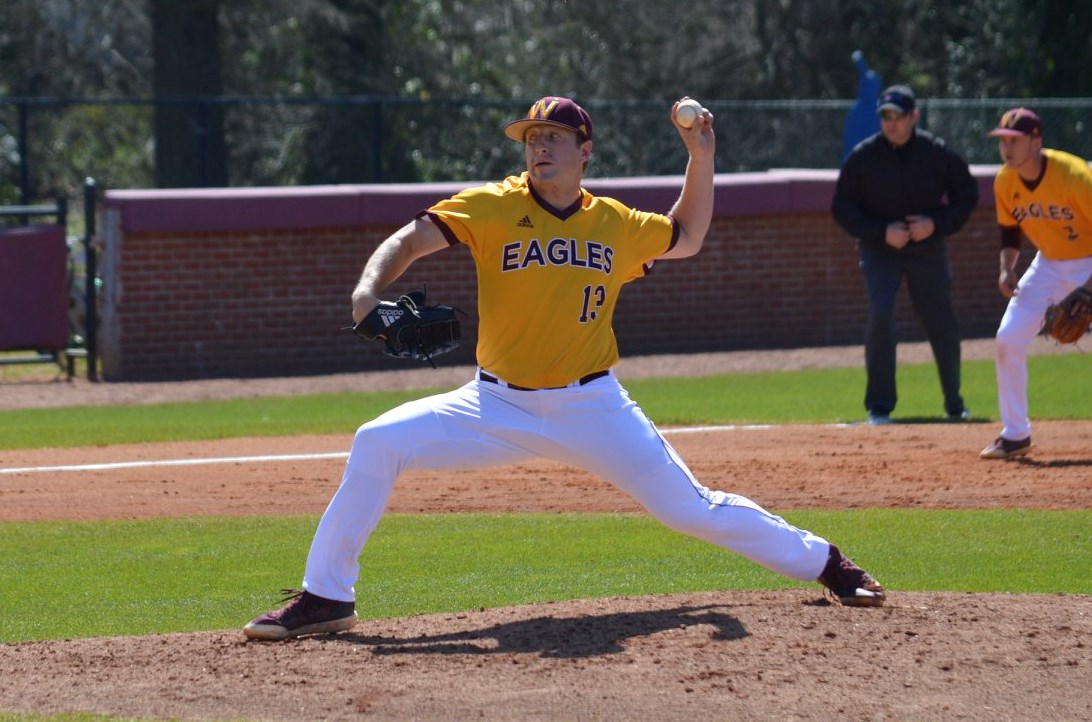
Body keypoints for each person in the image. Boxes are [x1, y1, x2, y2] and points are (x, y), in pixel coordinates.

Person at [243, 96, 886, 641]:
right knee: (377, 441)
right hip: (493, 405)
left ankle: (827, 564)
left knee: (692, 510)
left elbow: (686, 236)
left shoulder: (613, 223)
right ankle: (328, 598)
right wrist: (367, 291)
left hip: (593, 405)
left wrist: (701, 156)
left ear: (585, 152)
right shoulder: (490, 205)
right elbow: (409, 239)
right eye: (530, 138)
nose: (538, 147)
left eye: (552, 137)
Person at [832, 84, 979, 426]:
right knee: (881, 313)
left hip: (927, 248)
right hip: (880, 249)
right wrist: (881, 231)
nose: (891, 123)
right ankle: (879, 407)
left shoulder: (937, 153)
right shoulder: (863, 157)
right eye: (885, 116)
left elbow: (967, 194)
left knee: (940, 320)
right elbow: (842, 208)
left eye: (898, 116)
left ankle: (955, 404)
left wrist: (936, 223)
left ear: (914, 116)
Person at [979, 108, 1092, 459]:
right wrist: (1006, 269)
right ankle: (1015, 434)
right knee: (1008, 338)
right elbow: (1010, 230)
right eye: (1003, 141)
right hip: (1048, 265)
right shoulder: (1005, 181)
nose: (1008, 148)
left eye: (1015, 140)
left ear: (1037, 142)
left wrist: (1088, 290)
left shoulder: (1074, 175)